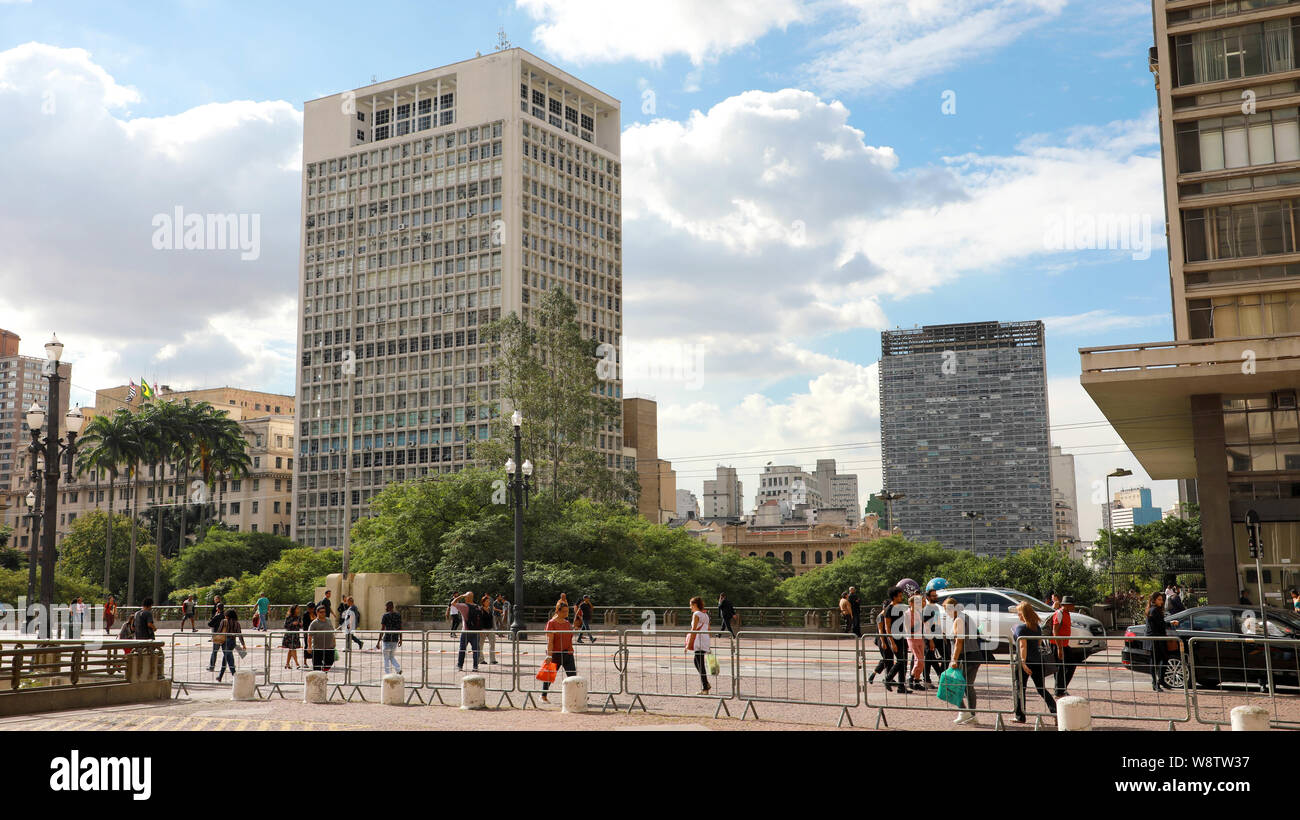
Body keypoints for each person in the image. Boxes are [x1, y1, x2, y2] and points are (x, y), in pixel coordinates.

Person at [1012, 601, 1057, 723]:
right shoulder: (1036, 627)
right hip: (1037, 661)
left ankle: (1020, 716)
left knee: (1020, 688)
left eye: (1019, 613)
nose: (1018, 615)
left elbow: (1022, 646)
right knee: (1041, 689)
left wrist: (1023, 662)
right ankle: (1055, 712)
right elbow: (1038, 643)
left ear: (1024, 614)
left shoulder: (1021, 628)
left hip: (1024, 662)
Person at [947, 596, 985, 725]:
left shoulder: (959, 619)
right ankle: (971, 715)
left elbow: (959, 642)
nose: (946, 612)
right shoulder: (966, 617)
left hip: (965, 656)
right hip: (974, 655)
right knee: (968, 686)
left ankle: (964, 712)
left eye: (947, 609)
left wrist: (954, 659)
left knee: (955, 686)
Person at [540, 601, 577, 703]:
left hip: (568, 653)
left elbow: (569, 638)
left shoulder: (567, 623)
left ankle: (577, 695)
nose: (566, 614)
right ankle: (543, 696)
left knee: (572, 676)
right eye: (564, 612)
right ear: (557, 611)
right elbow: (550, 641)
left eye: (567, 612)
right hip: (555, 653)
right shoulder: (551, 623)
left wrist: (570, 650)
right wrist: (549, 655)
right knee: (549, 675)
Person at [1049, 596, 1080, 698]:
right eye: (1072, 604)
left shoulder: (1066, 613)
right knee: (1060, 668)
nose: (1073, 606)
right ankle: (1059, 691)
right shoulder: (1059, 613)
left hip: (1064, 644)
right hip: (1057, 644)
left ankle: (1061, 688)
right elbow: (1055, 630)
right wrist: (1059, 648)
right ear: (1066, 605)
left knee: (1070, 665)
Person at [882, 586, 909, 693]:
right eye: (899, 596)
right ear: (894, 597)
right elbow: (887, 627)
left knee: (904, 662)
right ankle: (888, 679)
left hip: (902, 637)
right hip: (895, 638)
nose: (901, 597)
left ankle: (901, 687)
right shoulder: (889, 609)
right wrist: (891, 642)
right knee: (900, 661)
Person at [867, 594, 896, 687]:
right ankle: (874, 674)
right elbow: (880, 630)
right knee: (887, 659)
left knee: (889, 659)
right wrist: (883, 642)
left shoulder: (887, 615)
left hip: (886, 639)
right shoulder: (880, 616)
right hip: (882, 639)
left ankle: (889, 677)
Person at [1146, 592, 1172, 692]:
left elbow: (1160, 623)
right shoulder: (1154, 610)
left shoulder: (1155, 609)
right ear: (1154, 600)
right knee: (1155, 661)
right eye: (1159, 600)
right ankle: (1155, 683)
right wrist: (1169, 623)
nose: (1161, 602)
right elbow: (1159, 624)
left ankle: (1161, 680)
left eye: (1162, 600)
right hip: (1155, 639)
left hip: (1158, 638)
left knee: (1164, 659)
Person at [449, 591, 481, 672]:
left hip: (466, 631)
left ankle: (460, 666)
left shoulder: (463, 606)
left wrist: (460, 596)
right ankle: (475, 666)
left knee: (462, 649)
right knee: (476, 650)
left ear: (466, 598)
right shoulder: (478, 607)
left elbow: (452, 603)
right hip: (475, 631)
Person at [686, 596, 712, 695]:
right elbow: (709, 629)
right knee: (697, 662)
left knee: (699, 664)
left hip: (699, 640)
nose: (690, 607)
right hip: (704, 639)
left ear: (695, 605)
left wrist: (688, 644)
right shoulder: (705, 615)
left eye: (691, 605)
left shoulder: (696, 614)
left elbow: (693, 629)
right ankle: (706, 684)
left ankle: (705, 687)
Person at [921, 589, 945, 686]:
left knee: (945, 656)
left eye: (936, 595)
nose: (936, 597)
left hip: (938, 635)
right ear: (928, 597)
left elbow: (937, 621)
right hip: (930, 636)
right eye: (933, 596)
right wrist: (930, 639)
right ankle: (927, 679)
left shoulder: (936, 607)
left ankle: (941, 676)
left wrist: (942, 632)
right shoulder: (927, 609)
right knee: (929, 658)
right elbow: (926, 625)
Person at [215, 608, 246, 682]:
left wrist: (216, 639)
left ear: (227, 615)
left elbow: (219, 631)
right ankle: (221, 676)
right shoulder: (237, 623)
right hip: (233, 642)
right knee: (227, 657)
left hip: (225, 642)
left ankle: (234, 675)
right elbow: (239, 634)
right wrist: (243, 644)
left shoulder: (224, 621)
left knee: (228, 658)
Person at [904, 594, 927, 691]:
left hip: (920, 637)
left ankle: (917, 681)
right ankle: (911, 677)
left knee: (922, 661)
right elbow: (908, 629)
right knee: (919, 659)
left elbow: (922, 626)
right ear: (911, 603)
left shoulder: (918, 613)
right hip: (912, 638)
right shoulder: (906, 614)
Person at [307, 604, 336, 671]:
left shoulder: (328, 620)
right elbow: (310, 635)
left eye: (324, 612)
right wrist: (309, 646)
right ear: (317, 613)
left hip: (329, 647)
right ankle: (318, 679)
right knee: (316, 667)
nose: (323, 613)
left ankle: (323, 673)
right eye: (321, 612)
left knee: (330, 662)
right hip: (318, 648)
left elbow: (332, 632)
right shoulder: (314, 623)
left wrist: (334, 641)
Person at [379, 601, 403, 676]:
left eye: (386, 607)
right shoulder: (398, 615)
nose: (385, 608)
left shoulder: (385, 616)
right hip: (395, 639)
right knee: (392, 657)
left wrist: (378, 641)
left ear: (389, 607)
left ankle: (388, 674)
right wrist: (401, 639)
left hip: (387, 639)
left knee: (386, 658)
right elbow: (400, 628)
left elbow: (382, 629)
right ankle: (398, 669)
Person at [206, 597, 226, 672]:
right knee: (226, 652)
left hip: (217, 635)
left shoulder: (217, 616)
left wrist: (213, 617)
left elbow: (210, 624)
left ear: (217, 609)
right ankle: (227, 666)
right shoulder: (225, 615)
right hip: (224, 634)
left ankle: (212, 666)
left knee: (215, 651)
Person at [479, 594, 499, 664]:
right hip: (482, 629)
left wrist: (494, 628)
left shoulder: (490, 609)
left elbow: (492, 619)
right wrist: (479, 630)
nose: (488, 602)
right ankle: (481, 660)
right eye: (487, 601)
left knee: (492, 644)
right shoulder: (480, 609)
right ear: (483, 602)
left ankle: (492, 660)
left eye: (489, 601)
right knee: (480, 645)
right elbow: (478, 620)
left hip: (490, 629)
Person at [282, 605, 302, 669]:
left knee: (291, 650)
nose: (298, 610)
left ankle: (287, 664)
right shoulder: (288, 617)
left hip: (295, 635)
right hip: (289, 635)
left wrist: (300, 624)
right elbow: (285, 626)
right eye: (297, 609)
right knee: (293, 649)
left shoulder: (298, 617)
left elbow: (300, 626)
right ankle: (297, 663)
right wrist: (292, 624)